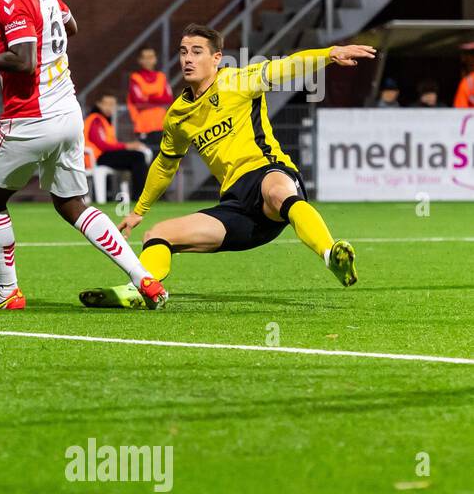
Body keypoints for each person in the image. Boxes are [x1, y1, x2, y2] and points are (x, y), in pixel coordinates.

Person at [0, 0, 168, 311]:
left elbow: (24, 61)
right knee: (72, 204)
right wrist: (15, 49)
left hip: (29, 118)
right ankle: (142, 277)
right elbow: (71, 27)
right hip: (67, 112)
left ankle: (7, 291)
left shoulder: (10, 2)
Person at [86, 24, 372, 308]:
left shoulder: (239, 81)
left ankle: (330, 254)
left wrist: (330, 53)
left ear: (216, 58)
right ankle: (142, 290)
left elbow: (288, 66)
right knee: (158, 234)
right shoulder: (177, 116)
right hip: (237, 205)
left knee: (277, 192)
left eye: (197, 52)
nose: (187, 59)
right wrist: (139, 211)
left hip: (268, 175)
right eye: (183, 52)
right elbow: (165, 165)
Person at [85, 92, 152, 198]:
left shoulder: (105, 121)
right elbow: (102, 144)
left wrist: (128, 146)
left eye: (112, 105)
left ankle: (134, 195)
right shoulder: (95, 119)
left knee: (137, 157)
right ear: (98, 104)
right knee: (138, 157)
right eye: (106, 104)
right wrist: (127, 146)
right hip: (97, 158)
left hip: (105, 155)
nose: (109, 107)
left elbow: (111, 143)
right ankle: (139, 197)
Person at [126, 45, 173, 153]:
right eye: (145, 57)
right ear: (140, 60)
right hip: (143, 127)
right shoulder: (135, 78)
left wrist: (149, 96)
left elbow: (168, 99)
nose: (148, 60)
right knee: (147, 161)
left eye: (151, 57)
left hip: (161, 126)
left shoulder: (161, 77)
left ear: (155, 59)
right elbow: (139, 101)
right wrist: (158, 96)